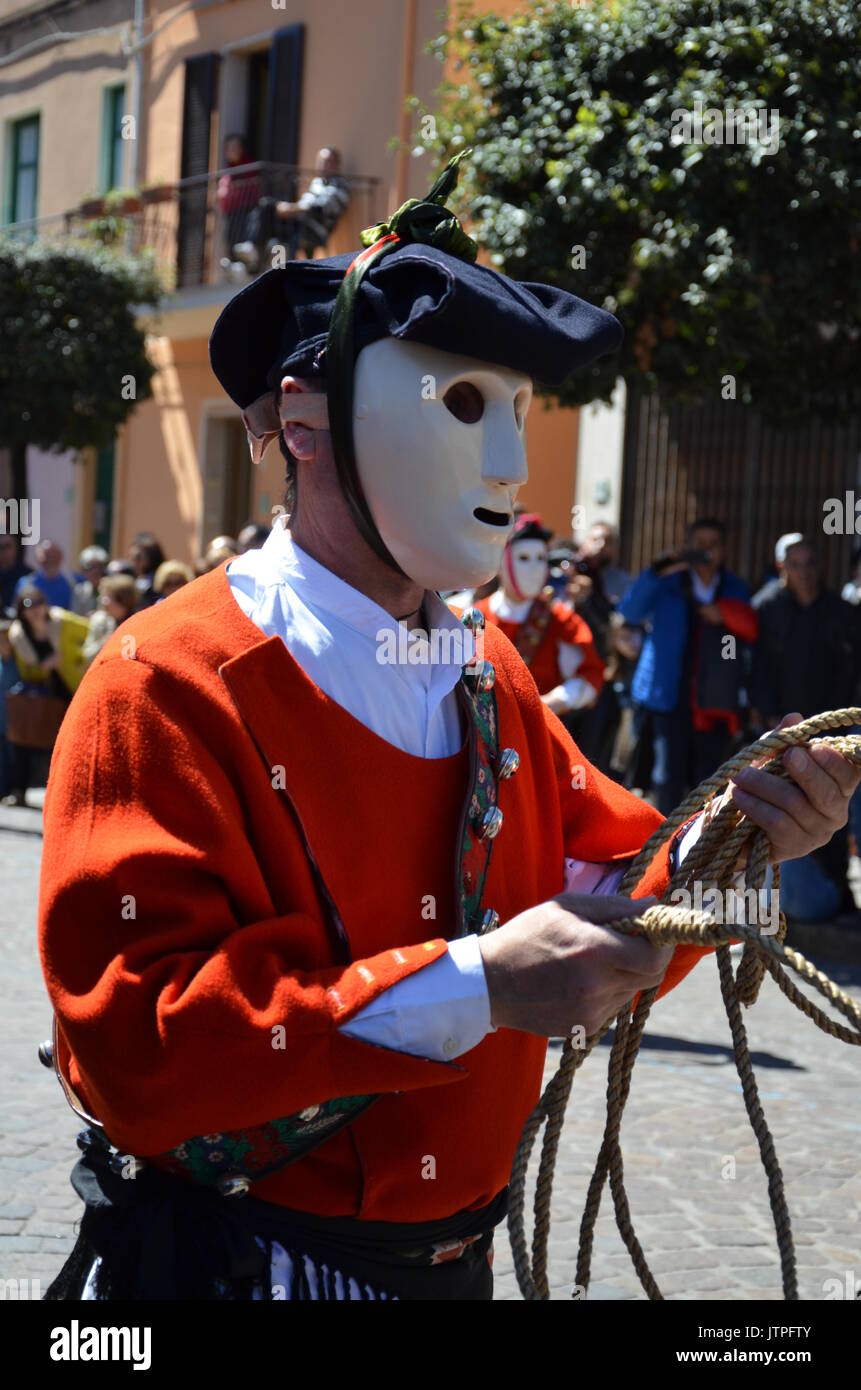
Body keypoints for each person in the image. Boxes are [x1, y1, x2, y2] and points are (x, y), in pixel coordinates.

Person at [39, 155, 859, 1302]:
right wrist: (473, 985)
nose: (511, 462)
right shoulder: (163, 684)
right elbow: (140, 1045)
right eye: (462, 403)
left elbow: (618, 890)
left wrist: (746, 837)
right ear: (306, 421)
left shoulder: (489, 669)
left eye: (519, 409)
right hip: (250, 1269)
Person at [752, 537, 861, 920]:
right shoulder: (767, 609)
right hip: (786, 733)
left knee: (835, 810)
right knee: (789, 815)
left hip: (836, 731)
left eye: (811, 563)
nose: (806, 572)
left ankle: (836, 895)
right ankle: (782, 905)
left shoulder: (841, 613)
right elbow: (757, 669)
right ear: (783, 570)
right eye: (796, 565)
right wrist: (768, 718)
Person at [618, 519, 758, 815]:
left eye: (713, 544)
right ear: (688, 546)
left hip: (713, 698)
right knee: (666, 776)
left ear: (724, 549)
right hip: (668, 693)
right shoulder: (667, 581)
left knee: (710, 777)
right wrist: (657, 570)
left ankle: (703, 843)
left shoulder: (733, 587)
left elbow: (743, 635)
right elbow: (630, 611)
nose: (706, 550)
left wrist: (724, 618)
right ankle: (666, 842)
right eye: (699, 543)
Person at [472, 513, 604, 718]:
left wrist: (548, 705)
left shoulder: (561, 619)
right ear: (500, 564)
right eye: (523, 558)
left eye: (541, 558)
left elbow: (590, 676)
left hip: (539, 733)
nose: (535, 569)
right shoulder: (476, 617)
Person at [4, 588, 73, 806]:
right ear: (21, 610)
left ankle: (64, 794)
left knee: (65, 741)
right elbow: (27, 664)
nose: (34, 609)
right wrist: (45, 665)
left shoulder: (62, 621)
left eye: (38, 603)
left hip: (65, 687)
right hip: (35, 694)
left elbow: (88, 634)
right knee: (24, 741)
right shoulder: (18, 633)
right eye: (28, 604)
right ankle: (20, 790)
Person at [232, 147, 351, 275]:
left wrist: (289, 209)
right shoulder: (317, 183)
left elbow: (318, 207)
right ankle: (256, 266)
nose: (324, 166)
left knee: (268, 207)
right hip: (301, 223)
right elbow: (303, 204)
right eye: (321, 162)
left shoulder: (340, 184)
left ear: (337, 165)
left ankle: (255, 258)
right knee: (270, 222)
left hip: (315, 229)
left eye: (328, 162)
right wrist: (289, 209)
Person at [216, 134, 263, 281]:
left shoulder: (248, 167)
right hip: (231, 213)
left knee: (244, 237)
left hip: (246, 209)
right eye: (229, 148)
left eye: (235, 147)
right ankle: (235, 265)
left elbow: (254, 189)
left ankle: (248, 264)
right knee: (231, 238)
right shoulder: (228, 171)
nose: (232, 151)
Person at [82, 576, 138, 667]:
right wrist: (105, 643)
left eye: (107, 597)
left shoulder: (138, 623)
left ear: (122, 601)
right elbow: (87, 656)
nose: (103, 601)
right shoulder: (100, 621)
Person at [14, 539, 73, 611]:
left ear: (61, 557)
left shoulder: (74, 582)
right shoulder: (26, 583)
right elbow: (17, 610)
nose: (51, 559)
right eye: (47, 555)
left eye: (54, 555)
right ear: (38, 558)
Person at [751, 531, 804, 609]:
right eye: (795, 564)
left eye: (810, 563)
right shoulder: (765, 603)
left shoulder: (825, 603)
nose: (803, 571)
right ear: (780, 566)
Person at [128, 532, 165, 609]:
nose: (133, 561)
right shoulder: (132, 577)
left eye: (138, 557)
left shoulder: (160, 580)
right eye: (131, 557)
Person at [72, 546, 109, 617]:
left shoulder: (112, 590)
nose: (95, 571)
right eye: (90, 567)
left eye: (99, 567)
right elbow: (75, 616)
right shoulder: (79, 591)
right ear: (83, 570)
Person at [0, 532, 32, 612]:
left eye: (8, 546)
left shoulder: (28, 574)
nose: (4, 551)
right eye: (1, 547)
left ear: (16, 548)